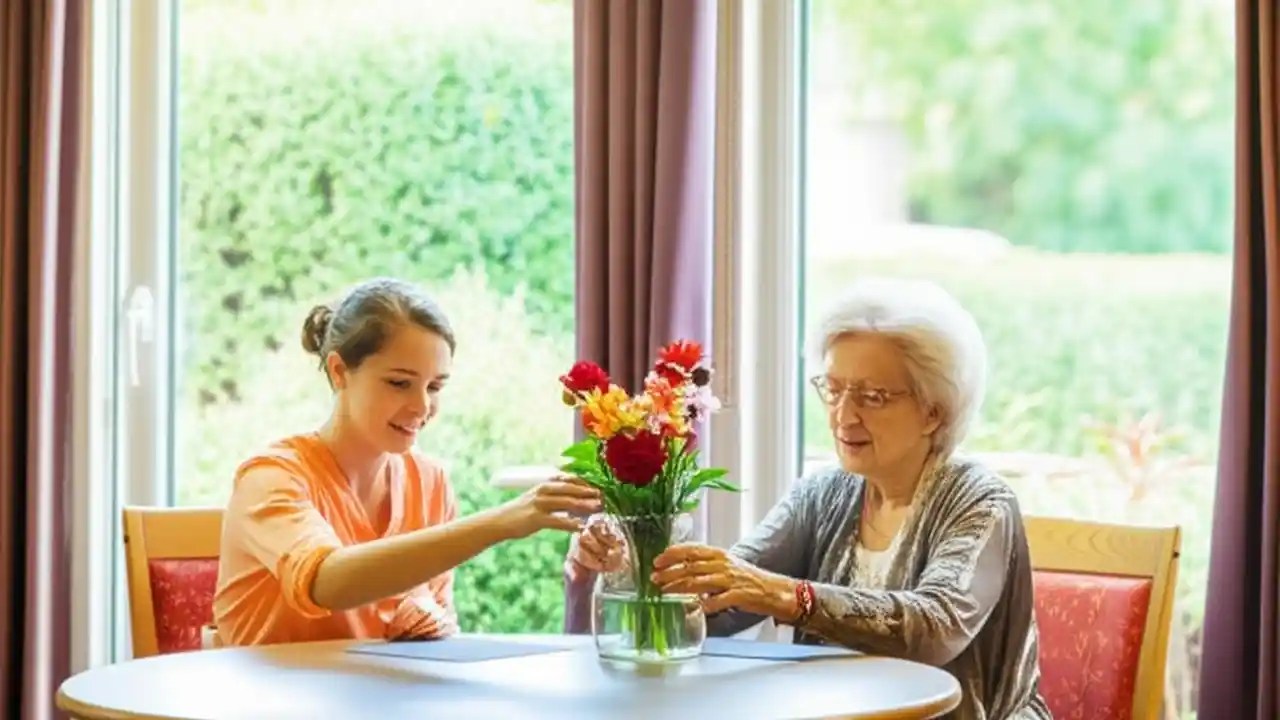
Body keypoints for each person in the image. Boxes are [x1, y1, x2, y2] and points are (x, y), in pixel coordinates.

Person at [565, 277, 1051, 720]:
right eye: (834, 389)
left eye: (872, 396)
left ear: (934, 413)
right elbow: (723, 598)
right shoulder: (823, 493)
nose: (844, 415)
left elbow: (935, 626)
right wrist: (633, 564)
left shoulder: (979, 501)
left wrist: (786, 595)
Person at [212, 277, 600, 647]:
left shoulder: (429, 483)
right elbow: (326, 581)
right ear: (339, 371)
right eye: (399, 383)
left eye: (435, 386)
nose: (422, 406)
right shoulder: (272, 477)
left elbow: (435, 626)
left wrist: (426, 623)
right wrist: (503, 521)